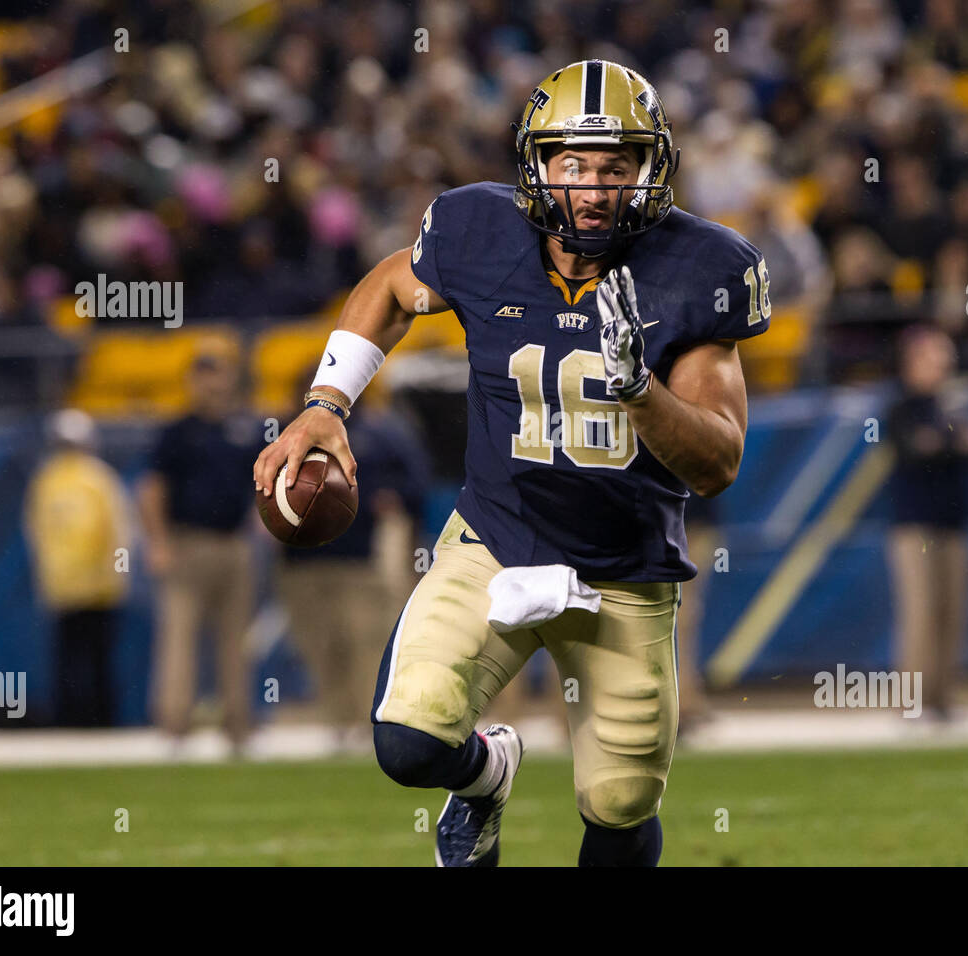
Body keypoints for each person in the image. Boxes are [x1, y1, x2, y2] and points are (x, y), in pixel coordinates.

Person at [254, 60, 773, 867]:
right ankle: (486, 774)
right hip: (496, 538)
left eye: (615, 166)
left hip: (624, 570)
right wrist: (326, 404)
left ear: (651, 168)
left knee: (619, 804)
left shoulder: (699, 268)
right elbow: (392, 289)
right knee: (409, 741)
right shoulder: (476, 229)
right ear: (536, 167)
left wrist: (640, 392)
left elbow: (716, 464)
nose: (594, 188)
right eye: (572, 164)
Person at [275, 392, 429, 750]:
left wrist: (392, 497)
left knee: (367, 641)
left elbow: (415, 483)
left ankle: (370, 722)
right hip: (303, 560)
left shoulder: (377, 434)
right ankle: (338, 722)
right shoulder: (285, 433)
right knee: (319, 645)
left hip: (360, 558)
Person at [138, 342, 260, 752]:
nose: (211, 383)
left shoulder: (244, 429)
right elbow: (153, 489)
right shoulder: (177, 431)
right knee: (180, 638)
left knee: (235, 641)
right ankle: (175, 727)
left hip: (233, 545)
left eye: (217, 373)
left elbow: (259, 484)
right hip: (187, 543)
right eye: (203, 374)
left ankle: (238, 729)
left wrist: (260, 523)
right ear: (192, 381)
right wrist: (158, 542)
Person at [884, 326, 968, 721]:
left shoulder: (953, 404)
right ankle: (911, 701)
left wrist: (944, 444)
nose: (942, 365)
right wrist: (950, 444)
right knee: (920, 612)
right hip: (914, 526)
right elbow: (916, 449)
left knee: (953, 611)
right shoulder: (902, 407)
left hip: (953, 522)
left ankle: (944, 697)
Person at [24, 409, 130, 727]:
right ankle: (99, 722)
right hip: (97, 587)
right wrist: (119, 575)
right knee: (96, 660)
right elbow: (121, 531)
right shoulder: (98, 478)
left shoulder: (46, 481)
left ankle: (70, 723)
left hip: (65, 587)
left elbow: (35, 534)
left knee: (70, 660)